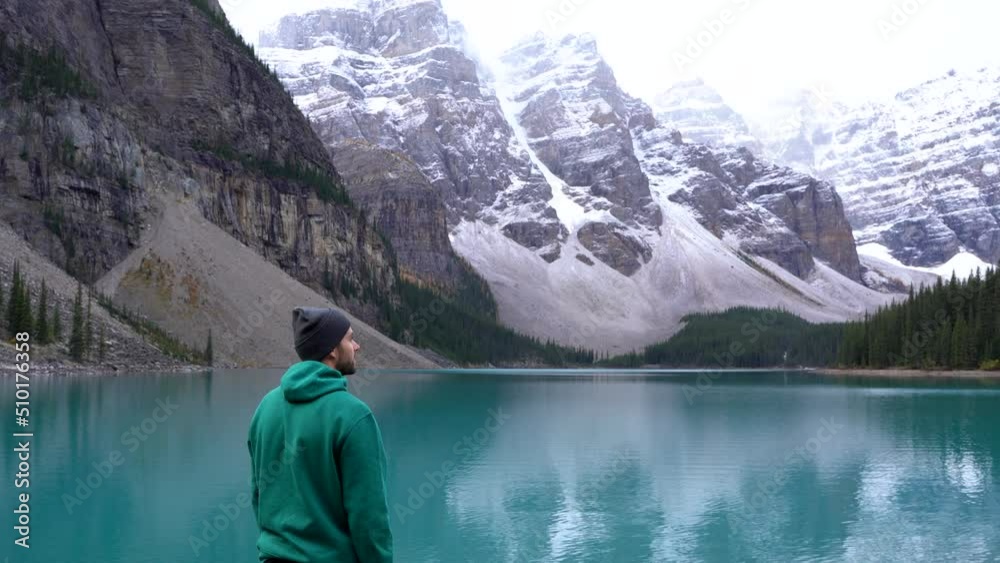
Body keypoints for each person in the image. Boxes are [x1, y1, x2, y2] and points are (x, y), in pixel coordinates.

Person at [248, 306, 393, 562]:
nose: (357, 346)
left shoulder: (265, 407)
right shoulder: (353, 416)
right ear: (332, 350)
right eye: (350, 338)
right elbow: (369, 519)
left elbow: (259, 495)